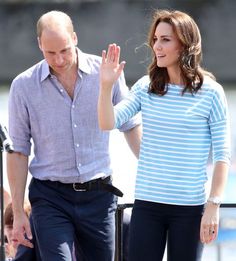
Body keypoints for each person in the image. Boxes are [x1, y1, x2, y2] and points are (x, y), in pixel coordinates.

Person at [7, 10, 141, 261]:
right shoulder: (23, 86)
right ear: (39, 45)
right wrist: (18, 211)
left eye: (65, 50)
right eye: (50, 53)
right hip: (50, 198)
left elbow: (130, 126)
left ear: (75, 38)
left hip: (99, 196)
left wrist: (155, 169)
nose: (58, 60)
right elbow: (18, 150)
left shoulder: (107, 74)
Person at [98, 9, 231, 261]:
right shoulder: (145, 87)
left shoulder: (211, 92)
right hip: (148, 206)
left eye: (165, 39)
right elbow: (107, 122)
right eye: (156, 39)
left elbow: (223, 155)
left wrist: (213, 206)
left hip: (190, 209)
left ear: (185, 44)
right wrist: (106, 88)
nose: (157, 46)